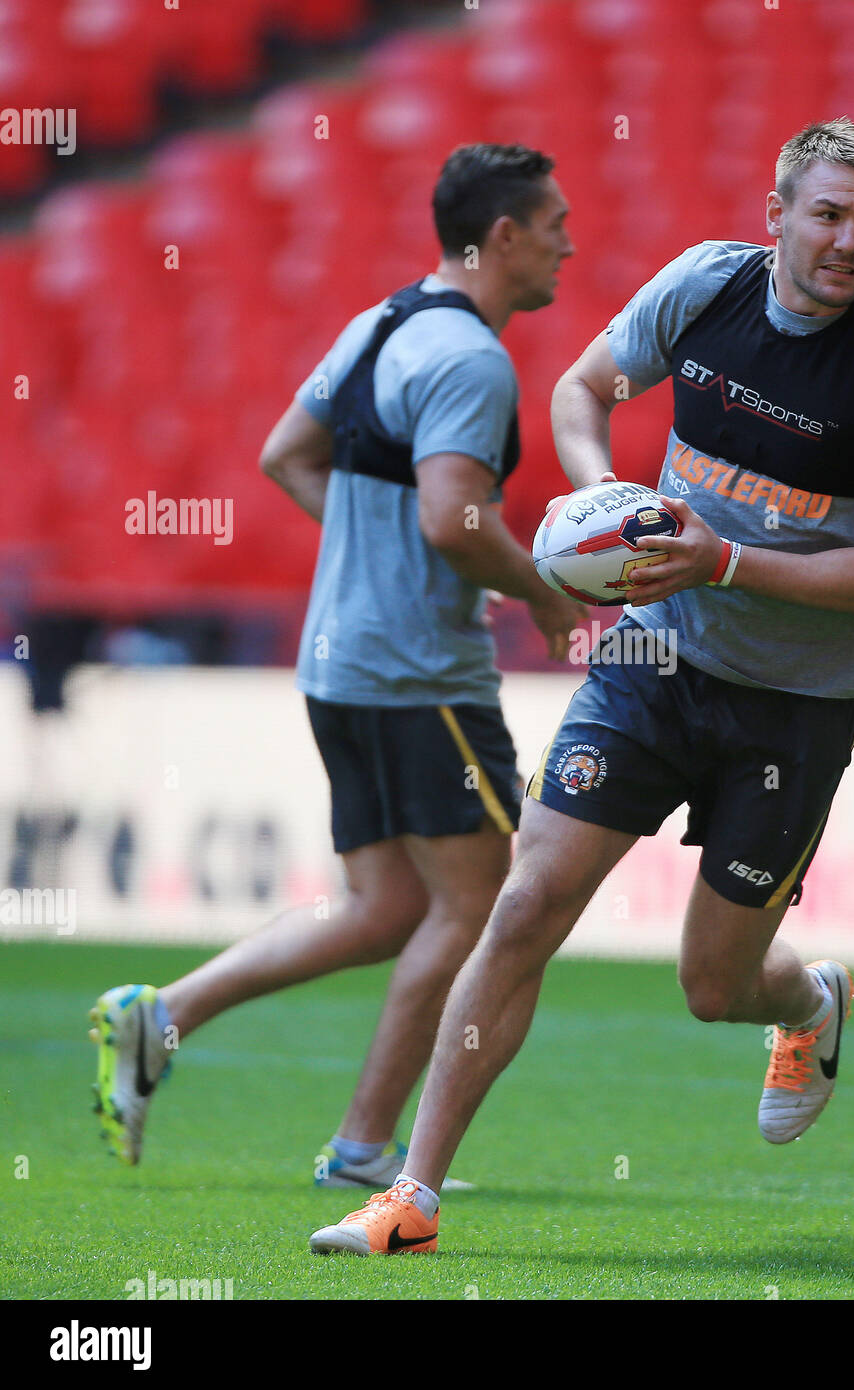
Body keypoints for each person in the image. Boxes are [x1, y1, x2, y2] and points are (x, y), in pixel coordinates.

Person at [309, 117, 854, 1254]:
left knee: (712, 984)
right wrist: (604, 499)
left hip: (793, 705)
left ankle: (809, 1002)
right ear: (775, 215)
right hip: (651, 659)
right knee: (521, 906)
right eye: (824, 213)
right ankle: (412, 1195)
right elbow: (576, 391)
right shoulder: (705, 287)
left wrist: (723, 558)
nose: (845, 240)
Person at [88, 143, 584, 1190]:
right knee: (479, 909)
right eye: (552, 226)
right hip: (418, 674)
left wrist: (380, 555)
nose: (565, 246)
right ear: (501, 236)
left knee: (383, 906)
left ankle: (161, 1016)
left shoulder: (380, 323)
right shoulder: (472, 359)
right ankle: (364, 1148)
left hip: (337, 662)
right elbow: (455, 519)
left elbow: (284, 454)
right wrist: (542, 592)